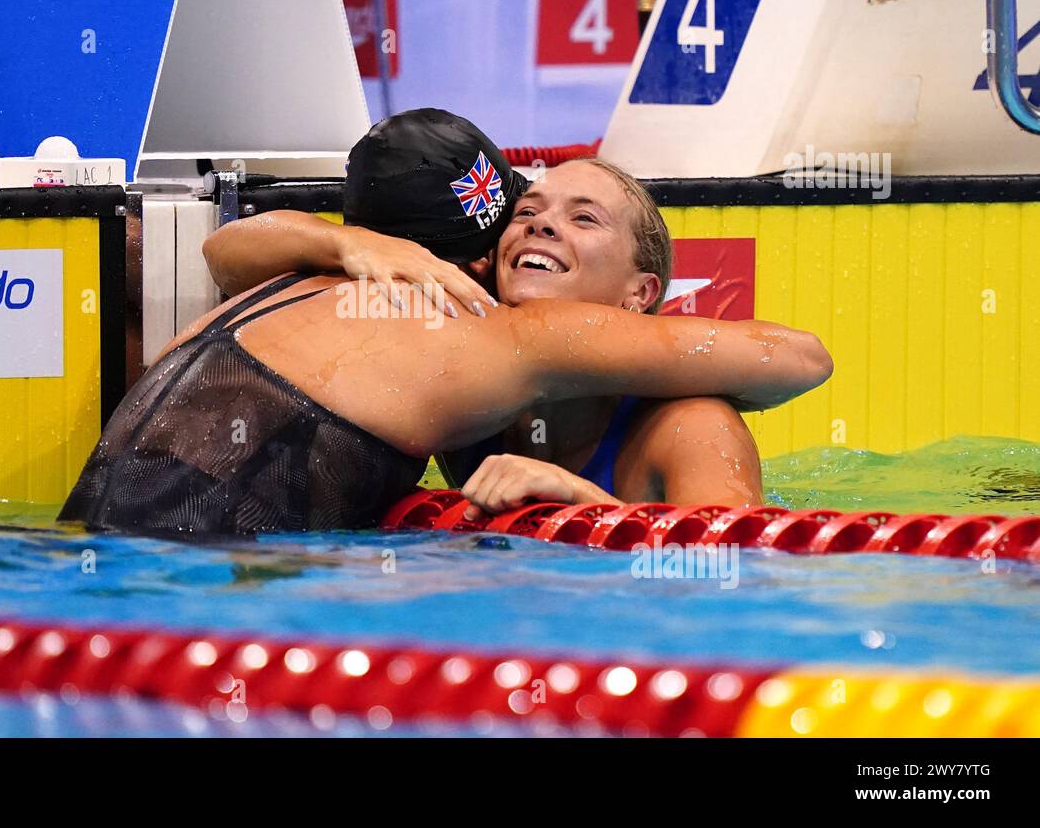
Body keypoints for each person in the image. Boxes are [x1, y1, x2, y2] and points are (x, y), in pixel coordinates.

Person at [60, 111, 831, 537]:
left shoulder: (685, 422)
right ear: (476, 263)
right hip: (180, 587)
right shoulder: (485, 340)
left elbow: (736, 577)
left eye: (582, 217)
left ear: (641, 291)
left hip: (89, 556)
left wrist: (580, 501)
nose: (542, 227)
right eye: (524, 215)